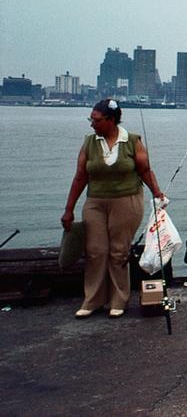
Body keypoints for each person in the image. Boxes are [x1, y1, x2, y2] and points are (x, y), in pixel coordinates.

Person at [61, 99, 165, 319]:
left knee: (119, 251)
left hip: (126, 201)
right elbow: (80, 177)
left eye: (96, 120)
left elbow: (145, 170)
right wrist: (68, 209)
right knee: (95, 251)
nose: (92, 124)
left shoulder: (132, 141)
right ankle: (93, 300)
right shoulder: (89, 143)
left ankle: (119, 299)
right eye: (91, 119)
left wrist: (157, 193)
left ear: (110, 120)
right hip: (95, 202)